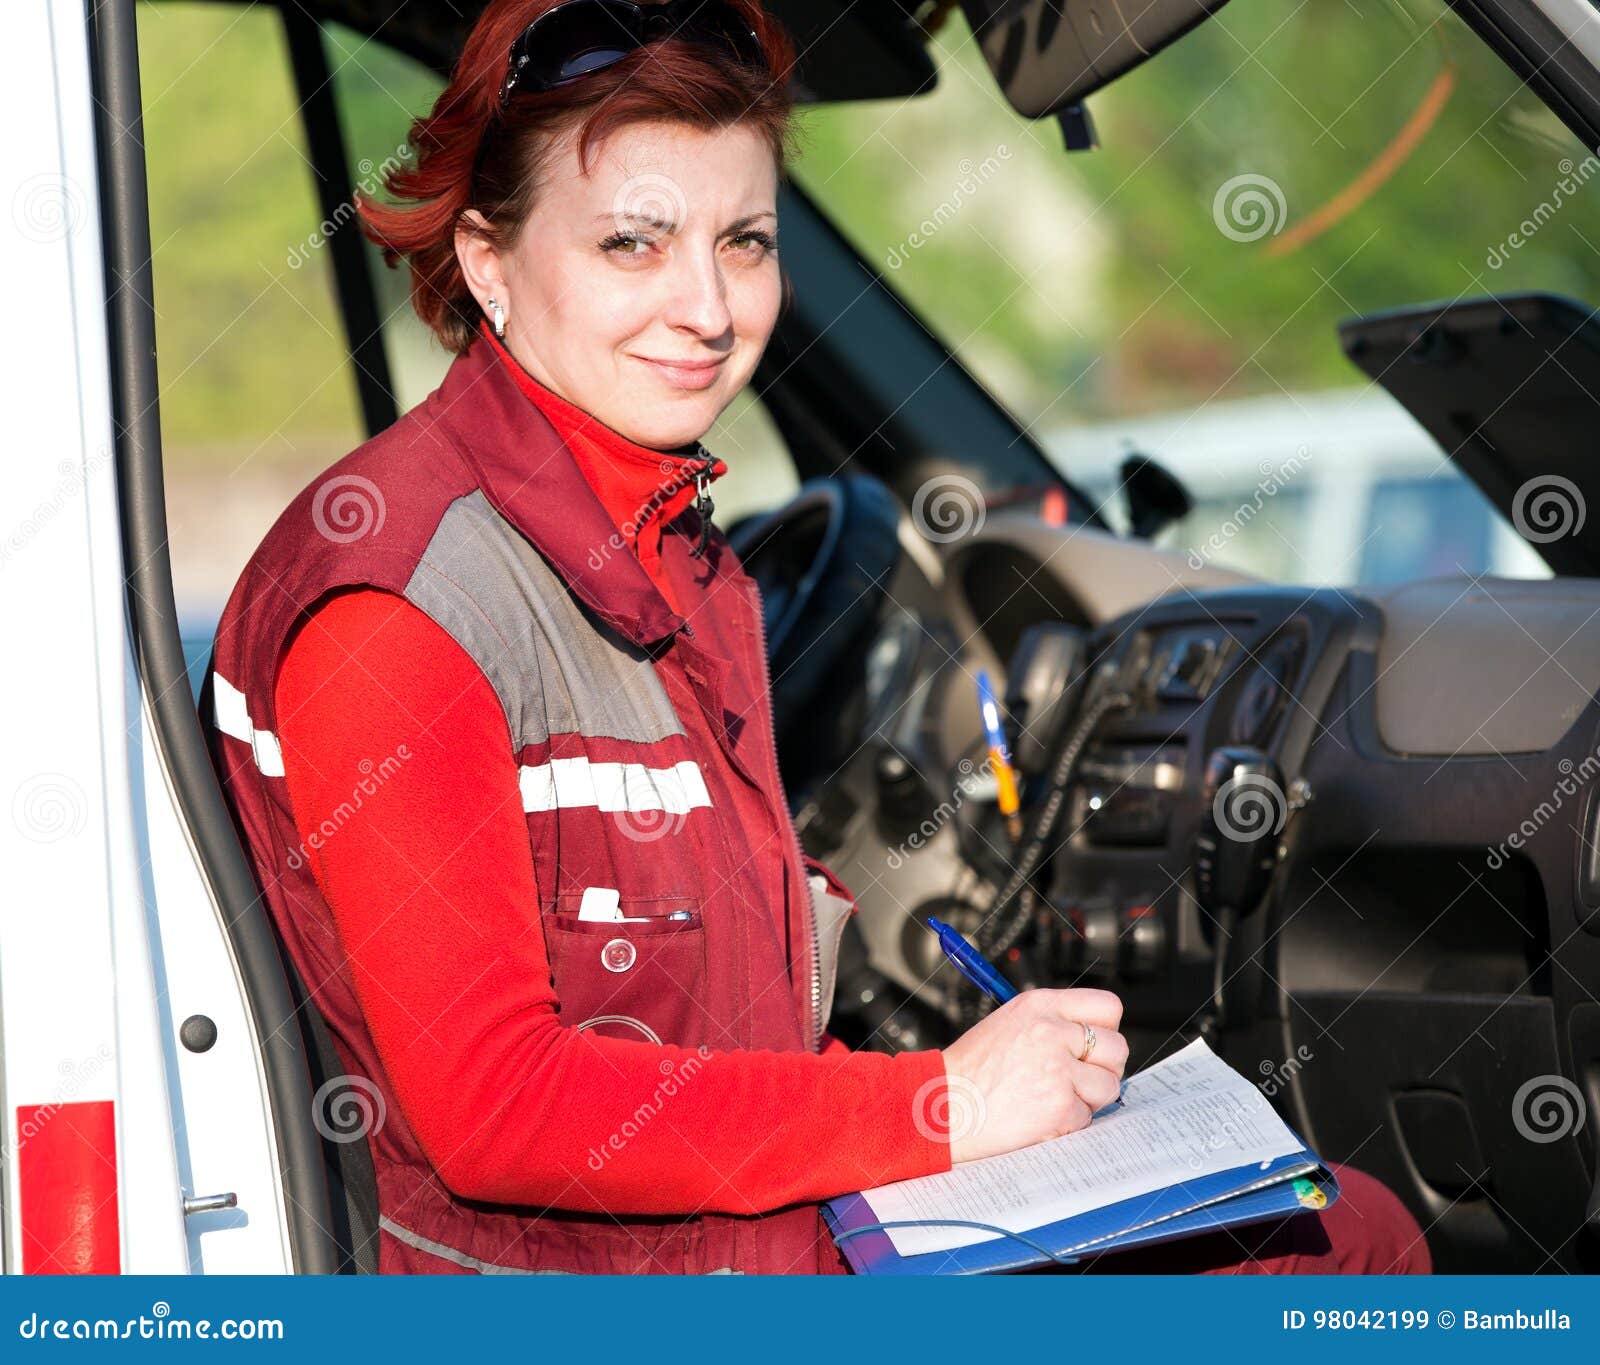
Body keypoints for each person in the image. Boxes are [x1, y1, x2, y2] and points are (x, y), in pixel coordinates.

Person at [204, 0, 1429, 1275]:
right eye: (633, 242)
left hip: (727, 1238)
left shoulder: (665, 540)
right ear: (488, 261)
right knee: (1345, 1251)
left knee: (1326, 1210)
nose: (707, 307)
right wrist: (942, 1108)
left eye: (744, 241)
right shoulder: (397, 607)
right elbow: (501, 1111)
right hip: (579, 1287)